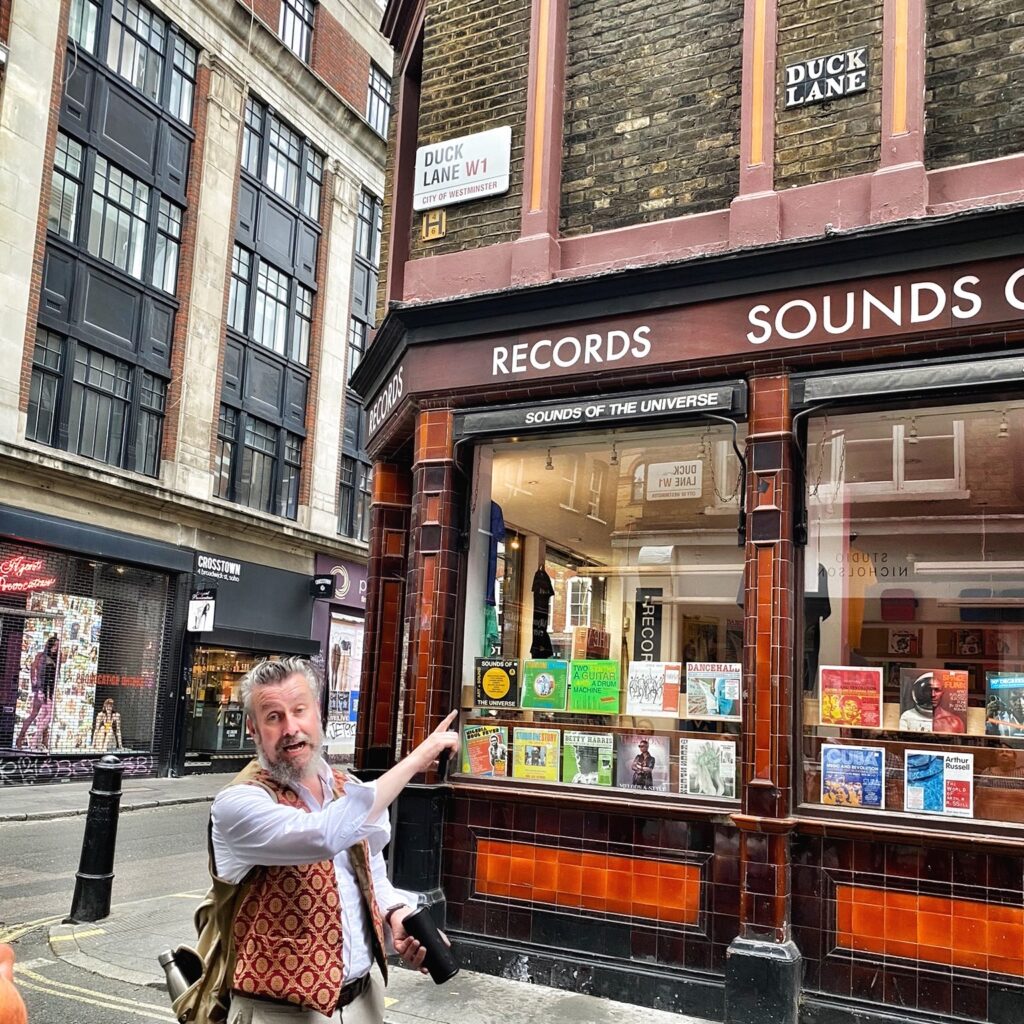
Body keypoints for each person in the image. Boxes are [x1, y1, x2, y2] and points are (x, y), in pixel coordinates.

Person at [209, 658, 458, 1024]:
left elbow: (372, 876)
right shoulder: (237, 803)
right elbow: (324, 835)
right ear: (253, 729)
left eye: (299, 710)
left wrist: (395, 913)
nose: (291, 728)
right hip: (276, 1014)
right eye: (274, 717)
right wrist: (416, 760)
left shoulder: (349, 788)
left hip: (363, 1004)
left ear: (318, 712)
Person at [16, 634, 58, 749]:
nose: (55, 648)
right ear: (49, 645)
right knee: (39, 714)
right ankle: (29, 739)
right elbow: (36, 672)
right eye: (54, 645)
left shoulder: (54, 658)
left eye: (57, 646)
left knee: (42, 714)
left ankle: (38, 740)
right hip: (43, 690)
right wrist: (37, 688)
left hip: (47, 690)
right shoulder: (42, 656)